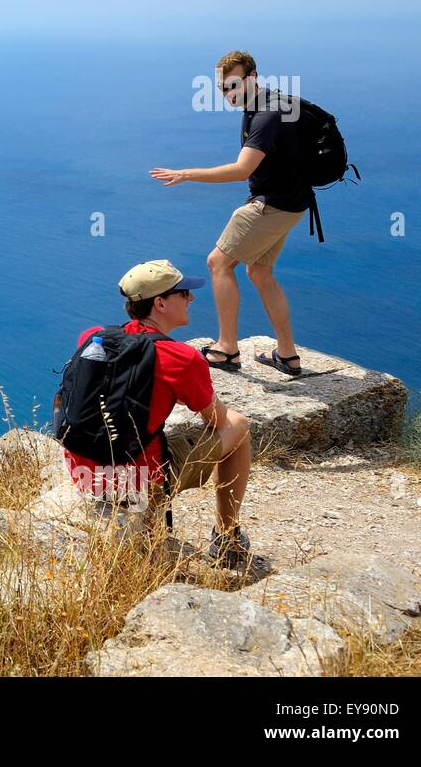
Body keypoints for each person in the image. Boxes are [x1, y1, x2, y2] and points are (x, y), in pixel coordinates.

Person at [60, 260, 254, 568]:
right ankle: (227, 538)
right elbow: (217, 420)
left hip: (84, 471)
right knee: (239, 425)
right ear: (160, 303)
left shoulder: (94, 335)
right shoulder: (182, 358)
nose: (191, 298)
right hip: (139, 479)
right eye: (183, 293)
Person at [149, 50, 312, 376]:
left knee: (218, 262)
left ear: (252, 77)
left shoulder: (265, 115)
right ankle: (288, 355)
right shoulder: (272, 102)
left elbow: (242, 169)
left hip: (270, 206)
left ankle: (226, 349)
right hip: (293, 205)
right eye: (223, 88)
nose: (228, 94)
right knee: (260, 272)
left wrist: (186, 174)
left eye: (233, 85)